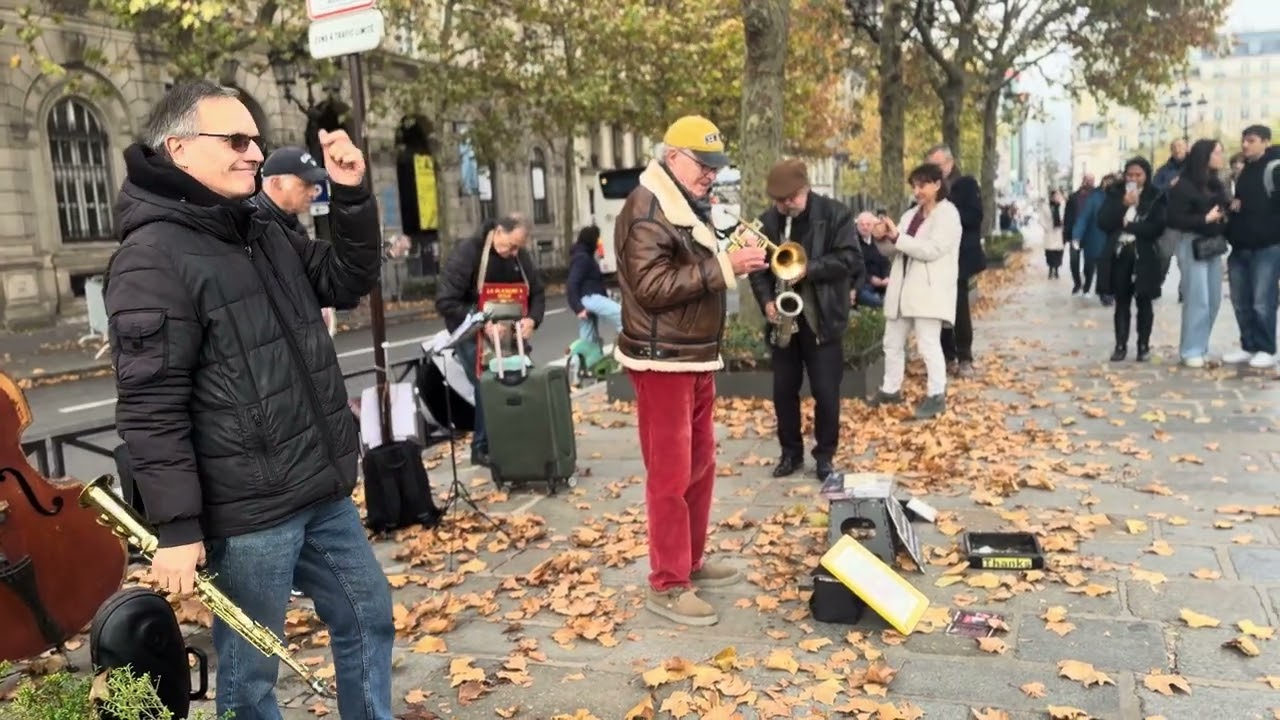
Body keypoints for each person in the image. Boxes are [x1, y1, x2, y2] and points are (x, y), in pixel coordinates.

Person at [104, 81, 392, 720]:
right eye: (236, 140)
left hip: (319, 485)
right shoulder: (149, 258)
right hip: (248, 511)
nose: (255, 153)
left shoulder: (259, 224)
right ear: (179, 149)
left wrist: (350, 194)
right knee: (250, 673)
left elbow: (344, 280)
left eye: (256, 140)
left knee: (367, 615)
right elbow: (151, 407)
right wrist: (178, 529)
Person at [614, 115, 768, 626]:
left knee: (700, 466)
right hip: (663, 361)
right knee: (671, 475)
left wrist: (727, 255)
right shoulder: (647, 208)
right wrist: (725, 267)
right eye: (703, 165)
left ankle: (690, 560)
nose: (711, 175)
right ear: (673, 157)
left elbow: (681, 271)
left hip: (692, 355)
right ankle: (668, 581)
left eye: (715, 167)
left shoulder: (680, 203)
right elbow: (652, 287)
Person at [747, 159, 862, 480]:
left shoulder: (836, 214)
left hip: (821, 318)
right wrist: (767, 302)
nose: (786, 205)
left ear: (806, 188)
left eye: (791, 198)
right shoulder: (768, 221)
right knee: (783, 392)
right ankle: (790, 454)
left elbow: (851, 259)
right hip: (784, 319)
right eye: (779, 201)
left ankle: (824, 456)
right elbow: (758, 269)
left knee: (826, 392)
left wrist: (809, 268)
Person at [435, 213, 547, 466]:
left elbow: (538, 293)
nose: (513, 252)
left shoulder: (519, 257)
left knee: (520, 378)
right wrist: (482, 321)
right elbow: (445, 301)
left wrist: (532, 319)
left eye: (518, 247)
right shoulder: (468, 253)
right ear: (497, 231)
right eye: (511, 245)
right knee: (488, 382)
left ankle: (514, 439)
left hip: (510, 332)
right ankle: (482, 447)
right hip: (472, 332)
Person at [868, 163, 961, 419]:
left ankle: (936, 394)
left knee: (928, 344)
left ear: (937, 184)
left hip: (929, 290)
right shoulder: (911, 215)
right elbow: (893, 249)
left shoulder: (948, 214)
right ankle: (891, 388)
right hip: (902, 288)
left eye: (922, 185)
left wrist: (897, 237)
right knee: (892, 342)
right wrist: (882, 236)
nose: (917, 191)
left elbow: (931, 250)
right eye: (914, 186)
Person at [1165, 139, 1229, 368]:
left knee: (1213, 299)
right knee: (1197, 298)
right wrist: (1204, 219)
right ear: (1205, 156)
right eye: (1217, 153)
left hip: (1213, 244)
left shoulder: (1216, 183)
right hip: (1192, 243)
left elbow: (1223, 208)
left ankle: (1201, 346)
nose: (1221, 157)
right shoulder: (1183, 184)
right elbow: (1174, 218)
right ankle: (1190, 349)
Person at [1096, 157, 1166, 362]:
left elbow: (1157, 226)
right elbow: (1104, 222)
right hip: (1120, 253)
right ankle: (1120, 345)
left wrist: (1130, 226)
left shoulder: (1155, 196)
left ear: (1146, 176)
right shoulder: (1115, 193)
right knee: (1122, 301)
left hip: (1144, 254)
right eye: (1130, 175)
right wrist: (1123, 204)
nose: (1134, 179)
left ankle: (1143, 345)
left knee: (1144, 301)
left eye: (1138, 175)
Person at [1223, 125, 1280, 369]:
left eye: (1251, 140)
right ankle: (1249, 345)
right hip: (1240, 246)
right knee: (1241, 301)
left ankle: (1267, 348)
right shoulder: (1245, 170)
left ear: (1265, 142)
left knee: (1262, 300)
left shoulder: (1274, 168)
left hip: (1266, 246)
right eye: (1244, 140)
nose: (1245, 145)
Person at [924, 145, 984, 376]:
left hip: (960, 257)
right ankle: (947, 355)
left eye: (937, 165)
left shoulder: (966, 184)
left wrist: (945, 212)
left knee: (958, 306)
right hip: (936, 255)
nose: (934, 170)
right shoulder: (929, 188)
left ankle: (964, 355)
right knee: (939, 307)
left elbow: (975, 216)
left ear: (949, 163)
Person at [566, 224, 622, 343]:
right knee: (623, 316)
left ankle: (583, 354)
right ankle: (627, 346)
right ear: (591, 240)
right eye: (597, 240)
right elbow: (572, 283)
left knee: (588, 339)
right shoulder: (582, 258)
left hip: (589, 298)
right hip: (590, 299)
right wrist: (578, 308)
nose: (598, 243)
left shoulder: (584, 256)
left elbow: (593, 282)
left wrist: (609, 294)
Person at [1071, 173, 1117, 304]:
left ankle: (1106, 292)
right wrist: (1076, 236)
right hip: (1094, 239)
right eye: (1108, 183)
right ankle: (1092, 287)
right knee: (1090, 267)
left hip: (1113, 239)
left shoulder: (1119, 197)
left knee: (1109, 266)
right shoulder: (1094, 198)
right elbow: (1083, 218)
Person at [1063, 175, 1095, 294]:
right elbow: (1067, 217)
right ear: (1083, 181)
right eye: (1087, 180)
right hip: (1075, 234)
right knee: (1074, 260)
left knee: (1090, 263)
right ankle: (1077, 283)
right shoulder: (1073, 197)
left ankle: (1087, 285)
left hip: (1091, 235)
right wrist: (1066, 234)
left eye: (1091, 181)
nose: (1089, 183)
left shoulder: (1096, 197)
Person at [852, 211, 890, 307]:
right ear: (857, 226)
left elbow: (885, 263)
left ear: (873, 226)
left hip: (881, 283)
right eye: (862, 224)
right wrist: (870, 278)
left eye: (868, 224)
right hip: (863, 284)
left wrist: (886, 277)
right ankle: (881, 302)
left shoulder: (877, 242)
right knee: (863, 294)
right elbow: (853, 268)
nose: (865, 227)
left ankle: (883, 300)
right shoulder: (853, 243)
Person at [1045, 191, 1065, 278]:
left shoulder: (1062, 206)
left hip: (1059, 232)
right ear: (1052, 197)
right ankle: (1050, 269)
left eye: (1058, 196)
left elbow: (1065, 217)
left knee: (1058, 252)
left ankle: (1056, 270)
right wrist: (1046, 227)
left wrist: (1064, 224)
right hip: (1050, 232)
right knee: (1050, 252)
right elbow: (1042, 218)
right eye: (1056, 196)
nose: (1057, 198)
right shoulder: (1047, 207)